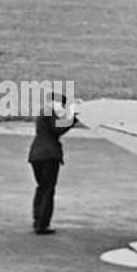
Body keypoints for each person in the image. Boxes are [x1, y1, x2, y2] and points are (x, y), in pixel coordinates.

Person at [28, 93, 79, 234]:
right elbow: (58, 129)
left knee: (41, 187)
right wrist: (73, 118)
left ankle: (37, 219)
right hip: (49, 155)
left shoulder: (43, 112)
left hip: (35, 154)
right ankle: (42, 224)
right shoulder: (50, 112)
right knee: (48, 189)